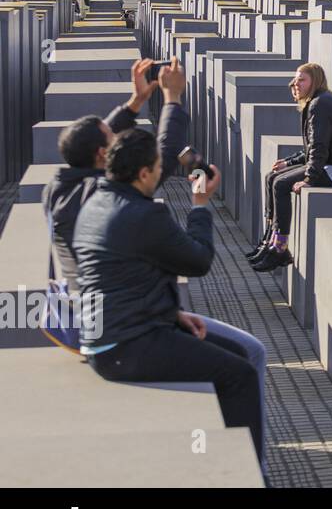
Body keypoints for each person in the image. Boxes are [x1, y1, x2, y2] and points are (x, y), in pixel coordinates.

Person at [73, 129, 264, 466]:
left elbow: (117, 275)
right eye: (159, 167)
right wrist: (200, 203)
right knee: (241, 375)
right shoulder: (144, 215)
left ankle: (225, 458)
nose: (162, 173)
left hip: (107, 337)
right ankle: (248, 473)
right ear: (144, 173)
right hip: (128, 345)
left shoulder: (95, 200)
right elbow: (198, 260)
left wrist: (174, 314)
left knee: (238, 354)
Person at [44, 57, 188, 293]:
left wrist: (136, 102)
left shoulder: (58, 189)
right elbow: (166, 154)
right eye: (113, 138)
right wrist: (173, 98)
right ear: (102, 154)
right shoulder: (111, 193)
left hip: (88, 303)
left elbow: (96, 139)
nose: (118, 138)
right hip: (126, 311)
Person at [251, 63, 332, 271]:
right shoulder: (320, 101)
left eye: (302, 79)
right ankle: (269, 239)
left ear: (315, 81)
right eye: (295, 79)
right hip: (330, 164)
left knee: (281, 184)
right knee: (271, 176)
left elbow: (320, 148)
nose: (295, 84)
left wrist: (309, 179)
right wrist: (289, 162)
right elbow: (314, 147)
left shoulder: (320, 105)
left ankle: (280, 249)